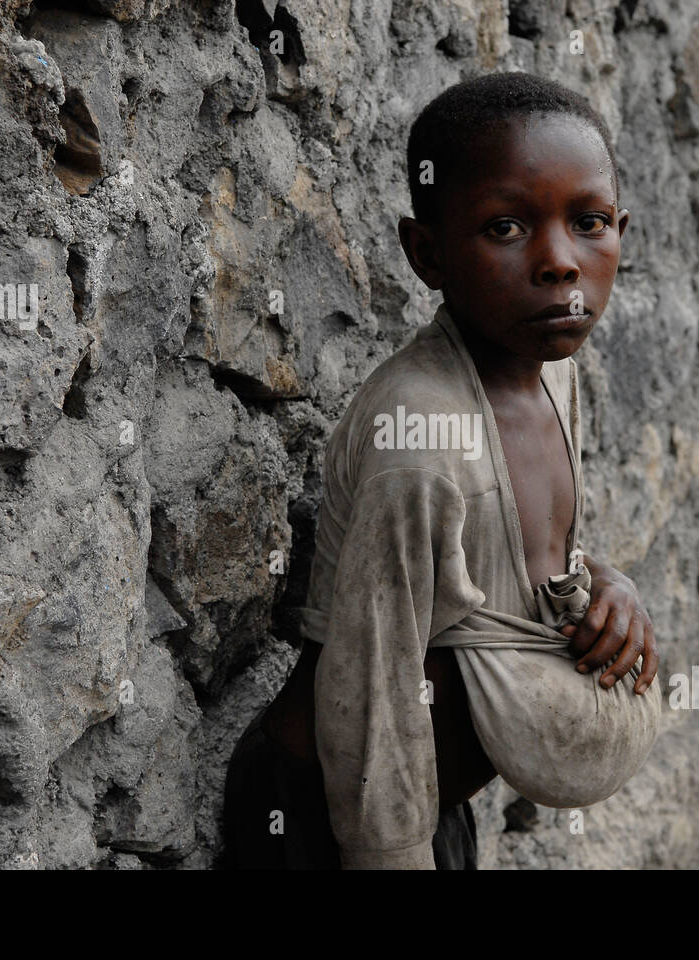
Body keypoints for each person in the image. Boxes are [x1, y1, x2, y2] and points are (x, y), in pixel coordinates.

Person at [222, 71, 661, 870]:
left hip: (423, 799)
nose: (560, 262)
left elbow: (526, 560)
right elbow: (372, 685)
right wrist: (394, 855)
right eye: (505, 228)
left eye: (589, 222)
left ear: (621, 230)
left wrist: (608, 588)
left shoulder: (550, 367)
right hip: (338, 815)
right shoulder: (418, 444)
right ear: (427, 253)